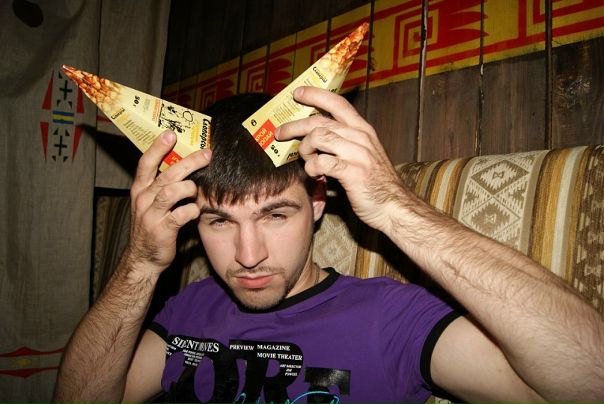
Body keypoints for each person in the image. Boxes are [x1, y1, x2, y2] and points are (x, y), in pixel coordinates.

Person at [52, 87, 604, 404]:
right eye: (219, 222)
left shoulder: (390, 317)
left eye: (276, 214)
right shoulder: (189, 308)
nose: (248, 255)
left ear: (317, 202)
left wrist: (393, 205)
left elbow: (590, 383)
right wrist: (140, 263)